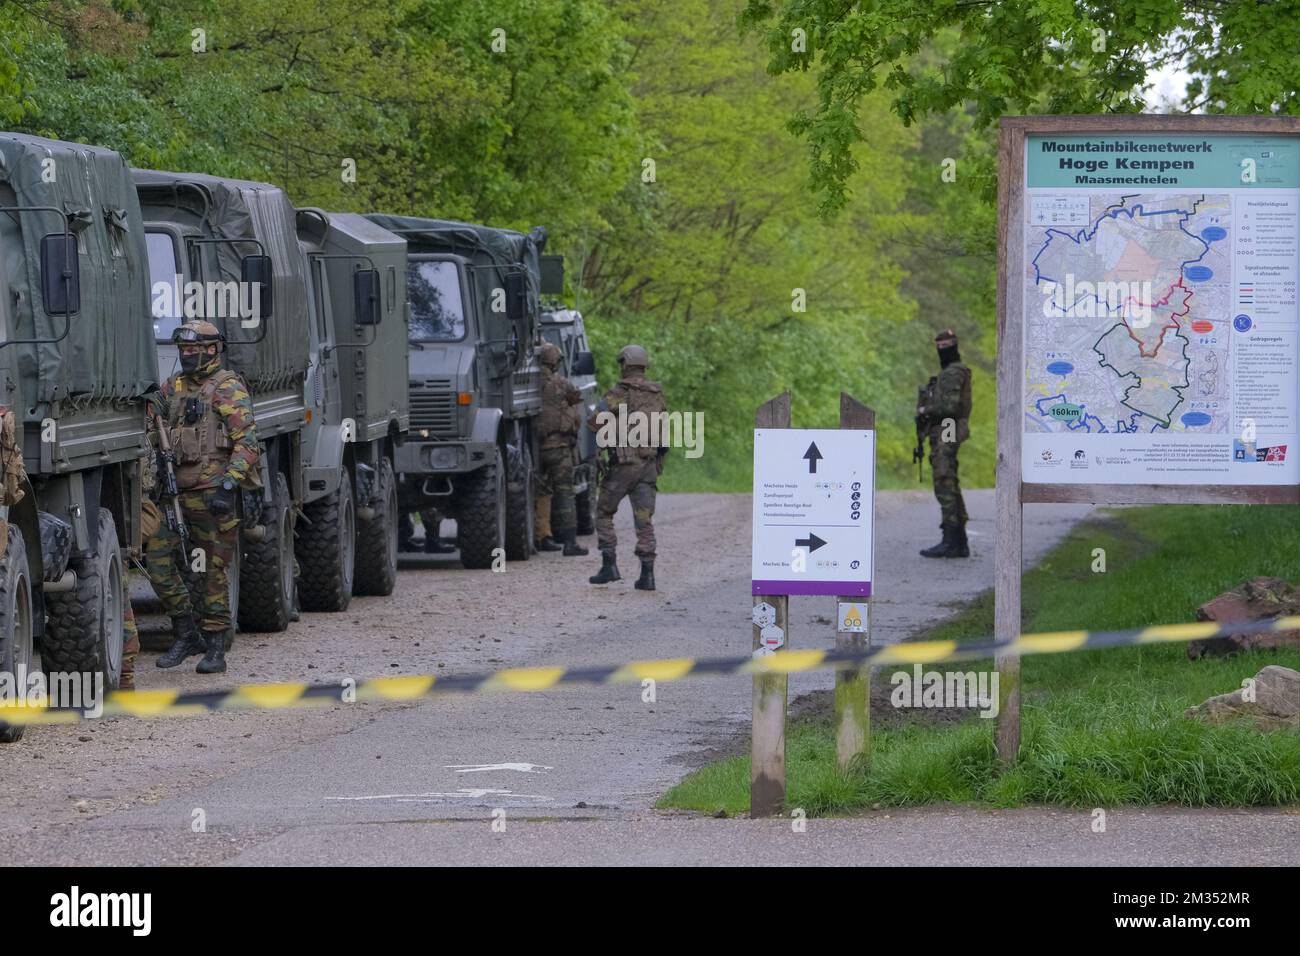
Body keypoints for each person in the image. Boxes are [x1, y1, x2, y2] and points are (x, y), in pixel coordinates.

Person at [146, 320, 260, 673]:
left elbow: (248, 443)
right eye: (183, 350)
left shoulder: (226, 387)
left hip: (213, 496)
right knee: (157, 561)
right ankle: (185, 631)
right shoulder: (175, 386)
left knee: (213, 573)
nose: (188, 355)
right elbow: (154, 417)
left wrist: (229, 485)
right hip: (176, 495)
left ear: (213, 350)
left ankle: (215, 647)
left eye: (195, 349)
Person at [589, 344, 666, 590]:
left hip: (623, 465)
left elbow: (594, 422)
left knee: (603, 513)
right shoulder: (657, 393)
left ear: (624, 364)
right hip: (648, 465)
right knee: (644, 519)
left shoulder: (619, 393)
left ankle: (609, 565)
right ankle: (647, 575)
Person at [918, 328, 971, 558]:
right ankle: (958, 540)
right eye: (939, 346)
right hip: (948, 427)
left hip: (948, 426)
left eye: (945, 346)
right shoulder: (951, 371)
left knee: (944, 478)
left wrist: (925, 409)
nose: (942, 351)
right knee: (948, 477)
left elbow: (949, 408)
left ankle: (951, 540)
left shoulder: (952, 372)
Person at [536, 342, 587, 556]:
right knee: (565, 493)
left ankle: (541, 536)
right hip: (558, 446)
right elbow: (576, 395)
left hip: (536, 447)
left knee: (541, 492)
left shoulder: (530, 383)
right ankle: (569, 543)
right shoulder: (559, 383)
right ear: (554, 361)